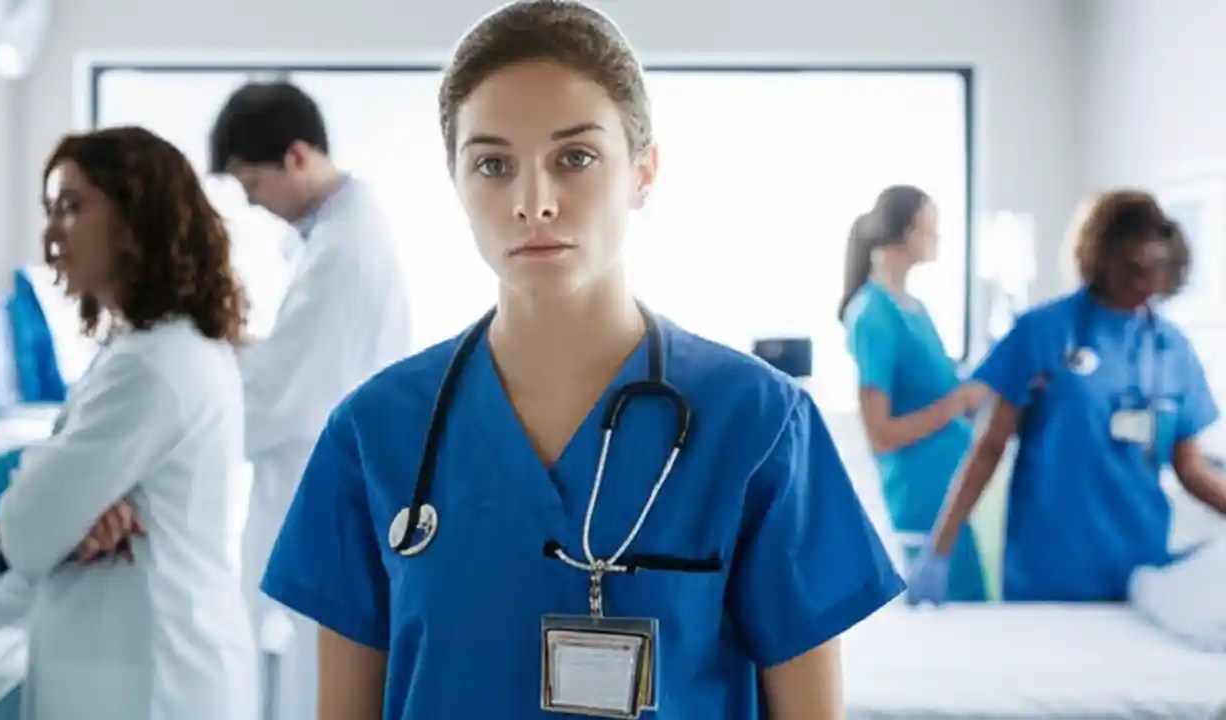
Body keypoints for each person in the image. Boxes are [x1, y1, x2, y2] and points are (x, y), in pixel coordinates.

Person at [260, 2, 905, 718]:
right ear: (456, 180)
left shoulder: (757, 425)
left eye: (575, 158)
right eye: (494, 164)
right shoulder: (374, 434)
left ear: (643, 171)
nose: (533, 202)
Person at [0, 126, 258, 718]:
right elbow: (37, 537)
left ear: (136, 220)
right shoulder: (150, 349)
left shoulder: (154, 365)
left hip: (155, 685)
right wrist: (63, 518)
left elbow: (27, 530)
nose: (50, 233)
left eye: (71, 207)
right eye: (49, 210)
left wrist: (45, 517)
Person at [909, 189, 1226, 605]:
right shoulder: (1043, 332)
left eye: (1155, 270)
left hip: (1139, 576)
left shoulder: (1173, 349)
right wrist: (940, 548)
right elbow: (989, 447)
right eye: (1133, 269)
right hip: (1048, 571)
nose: (1144, 285)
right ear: (1104, 257)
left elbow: (1190, 468)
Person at [209, 81, 412, 718]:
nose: (253, 203)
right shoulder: (336, 234)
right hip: (322, 489)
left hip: (321, 491)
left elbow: (284, 399)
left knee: (312, 683)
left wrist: (205, 372)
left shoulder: (343, 249)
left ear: (297, 157)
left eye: (254, 185)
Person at [838, 185, 989, 602]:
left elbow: (938, 389)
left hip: (949, 492)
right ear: (905, 232)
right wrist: (954, 405)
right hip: (920, 499)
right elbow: (880, 433)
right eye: (930, 229)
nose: (937, 239)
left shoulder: (914, 309)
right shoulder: (873, 315)